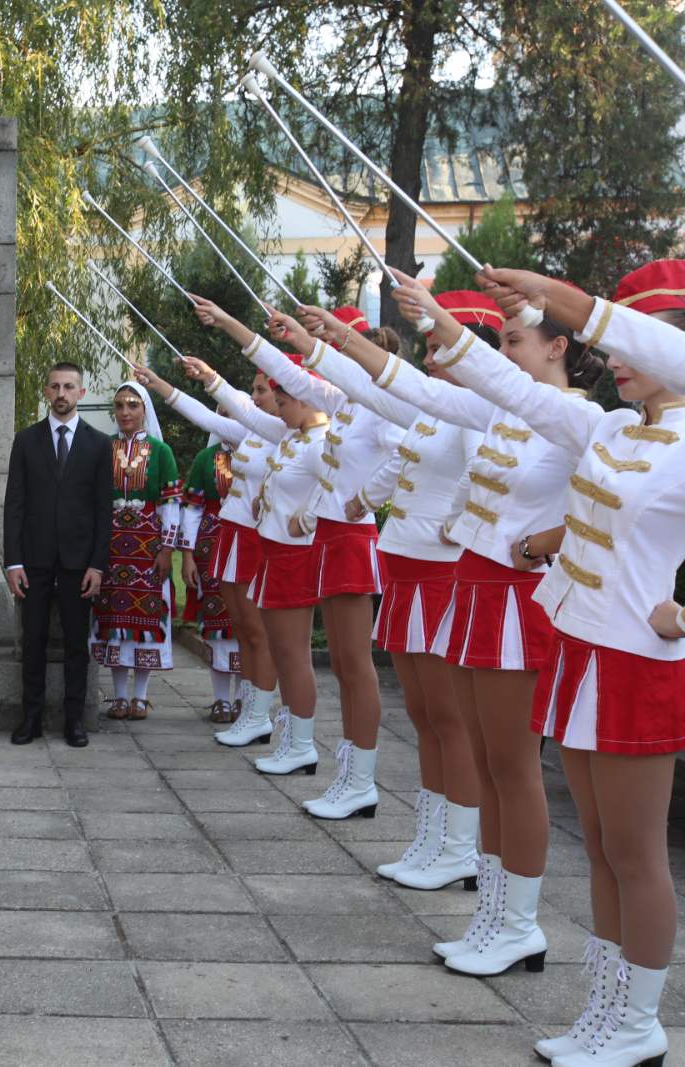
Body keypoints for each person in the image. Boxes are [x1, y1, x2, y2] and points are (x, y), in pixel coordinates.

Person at [395, 264, 685, 1065]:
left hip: (637, 662)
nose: (614, 361)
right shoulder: (610, 429)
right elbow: (509, 387)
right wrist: (437, 324)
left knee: (635, 852)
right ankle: (606, 1009)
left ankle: (638, 1022)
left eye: (633, 343)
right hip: (580, 648)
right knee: (596, 844)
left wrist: (684, 614)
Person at [329, 281, 606, 977]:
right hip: (477, 590)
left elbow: (602, 510)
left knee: (514, 767)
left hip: (520, 601)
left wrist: (539, 543)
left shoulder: (580, 417)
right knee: (485, 763)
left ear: (557, 347)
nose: (502, 351)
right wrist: (337, 344)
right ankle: (491, 915)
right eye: (501, 340)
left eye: (515, 340)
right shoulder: (505, 413)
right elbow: (419, 394)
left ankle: (520, 924)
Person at [294, 299, 488, 892]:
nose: (428, 358)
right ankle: (430, 838)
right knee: (424, 715)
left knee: (448, 717)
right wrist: (361, 500)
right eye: (427, 348)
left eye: (438, 348)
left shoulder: (474, 411)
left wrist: (456, 524)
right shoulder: (431, 411)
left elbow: (478, 477)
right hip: (403, 560)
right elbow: (396, 453)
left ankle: (459, 845)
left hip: (437, 570)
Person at [194, 299, 403, 820]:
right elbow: (285, 369)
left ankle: (359, 780)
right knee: (344, 666)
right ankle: (345, 775)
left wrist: (366, 498)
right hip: (329, 537)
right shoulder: (344, 402)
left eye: (340, 348)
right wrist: (230, 323)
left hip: (352, 540)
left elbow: (402, 452)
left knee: (355, 668)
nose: (328, 358)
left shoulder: (382, 406)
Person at [180, 349, 330, 780]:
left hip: (284, 550)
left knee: (288, 651)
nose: (267, 401)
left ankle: (296, 740)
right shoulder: (289, 435)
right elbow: (217, 416)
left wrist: (314, 514)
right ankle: (263, 718)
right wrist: (190, 382)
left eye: (273, 393)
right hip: (264, 540)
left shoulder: (314, 440)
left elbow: (343, 482)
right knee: (258, 636)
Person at [135, 363, 281, 744]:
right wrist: (162, 386)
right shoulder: (248, 433)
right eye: (256, 391)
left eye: (261, 392)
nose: (256, 398)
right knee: (243, 630)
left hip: (260, 539)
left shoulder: (282, 434)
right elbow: (202, 414)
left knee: (257, 633)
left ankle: (259, 714)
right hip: (229, 537)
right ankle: (249, 713)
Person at [2, 362, 112, 748]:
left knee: (75, 645)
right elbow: (14, 504)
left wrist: (98, 565)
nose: (61, 393)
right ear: (45, 392)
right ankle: (30, 718)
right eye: (55, 386)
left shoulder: (99, 445)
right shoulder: (26, 441)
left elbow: (103, 511)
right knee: (32, 641)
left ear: (81, 393)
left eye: (69, 387)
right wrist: (12, 562)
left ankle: (74, 720)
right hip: (33, 562)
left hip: (78, 564)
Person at [90, 381, 180, 720]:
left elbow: (171, 504)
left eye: (133, 405)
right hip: (110, 546)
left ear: (145, 409)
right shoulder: (103, 447)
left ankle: (140, 697)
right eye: (120, 405)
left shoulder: (161, 451)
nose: (125, 412)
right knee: (112, 618)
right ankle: (119, 696)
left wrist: (167, 548)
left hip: (148, 547)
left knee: (146, 618)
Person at [176, 433, 242, 722]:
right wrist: (188, 554)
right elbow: (191, 509)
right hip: (212, 546)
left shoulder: (265, 447)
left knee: (250, 626)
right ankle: (221, 700)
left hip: (251, 542)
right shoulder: (206, 459)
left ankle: (245, 699)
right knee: (217, 623)